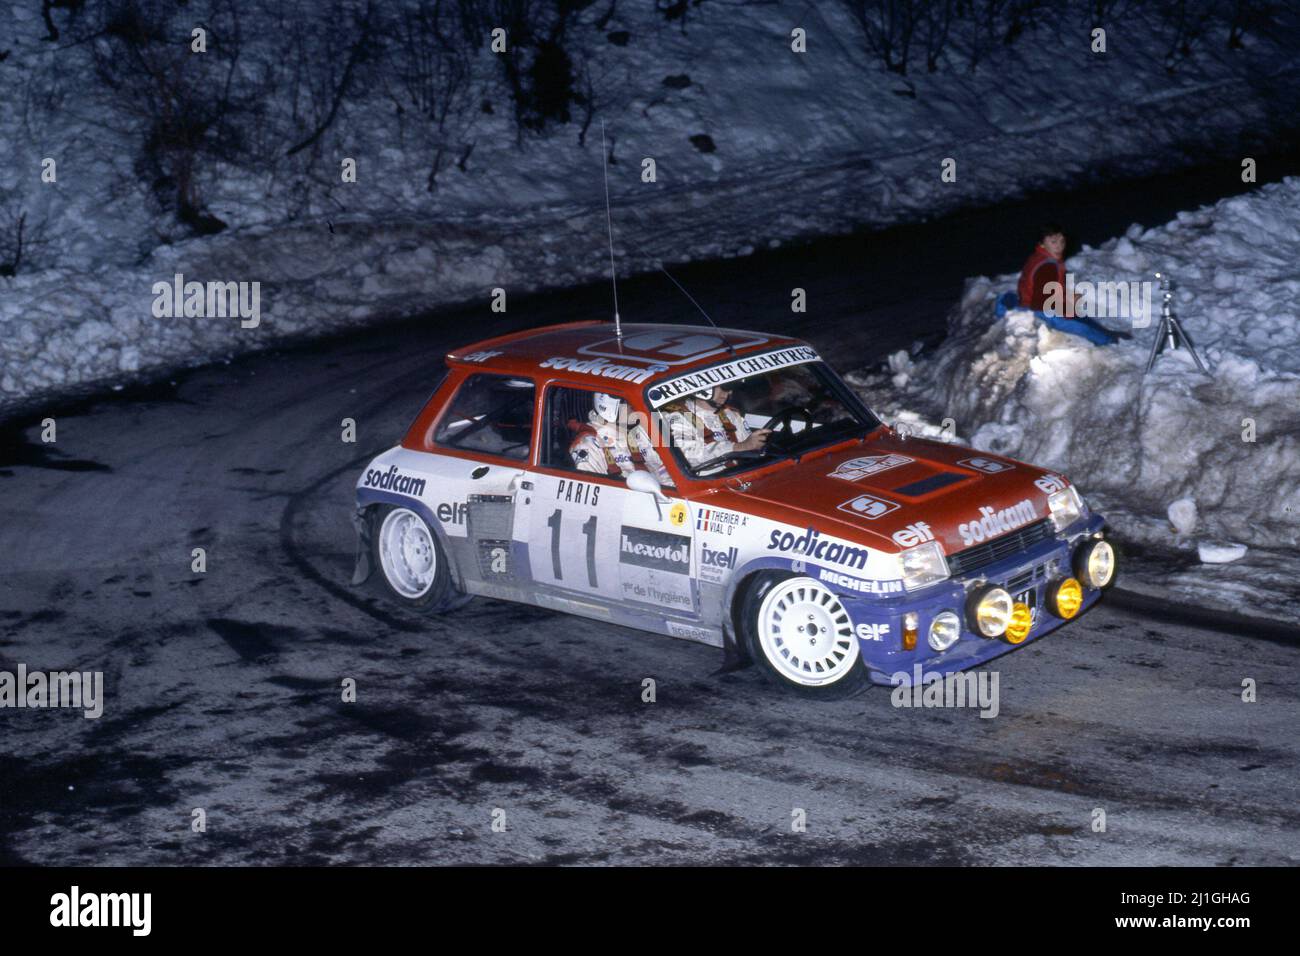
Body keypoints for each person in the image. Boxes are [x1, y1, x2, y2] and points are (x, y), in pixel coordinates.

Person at [1015, 223, 1128, 346]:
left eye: (1062, 241)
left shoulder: (1042, 256)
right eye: (1053, 242)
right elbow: (1041, 302)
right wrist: (1067, 304)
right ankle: (1108, 341)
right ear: (1042, 243)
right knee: (1081, 327)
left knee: (1079, 316)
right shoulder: (1048, 267)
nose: (1059, 246)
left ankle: (1106, 333)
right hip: (1040, 312)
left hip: (1036, 305)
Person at [570, 391, 672, 485]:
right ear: (609, 406)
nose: (637, 408)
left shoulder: (644, 429)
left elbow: (667, 470)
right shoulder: (588, 447)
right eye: (630, 404)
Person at [663, 383, 770, 472]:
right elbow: (687, 457)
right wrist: (738, 447)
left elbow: (750, 448)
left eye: (730, 388)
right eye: (722, 387)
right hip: (703, 483)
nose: (728, 393)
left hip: (738, 474)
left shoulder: (730, 414)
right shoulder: (675, 417)